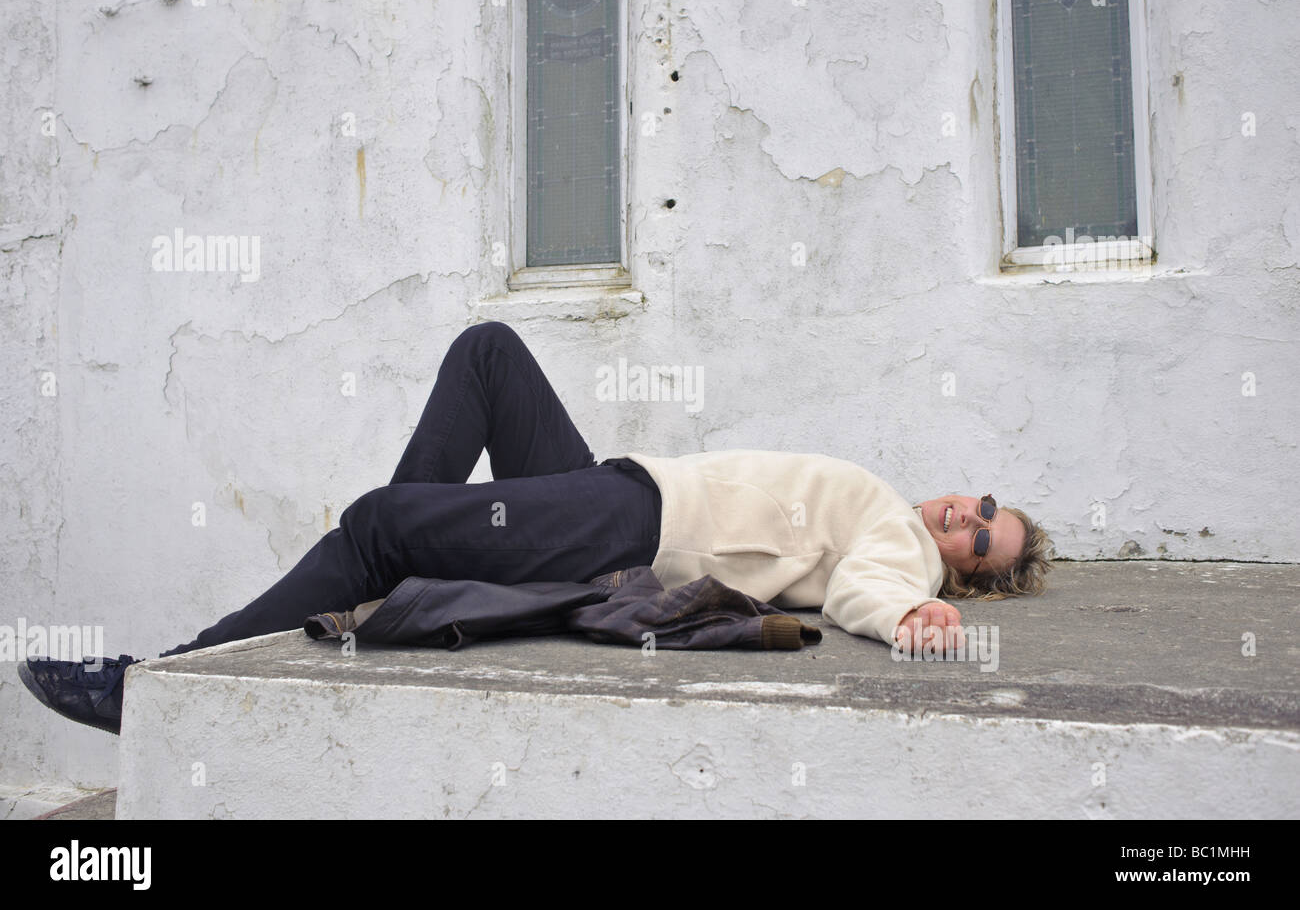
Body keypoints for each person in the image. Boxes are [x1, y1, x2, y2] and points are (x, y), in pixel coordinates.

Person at [18, 321, 1053, 735]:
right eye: (984, 507)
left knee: (381, 522)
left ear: (965, 574)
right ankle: (395, 573)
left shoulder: (899, 542)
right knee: (488, 354)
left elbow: (861, 590)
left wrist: (914, 608)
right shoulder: (898, 505)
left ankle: (161, 684)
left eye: (979, 544)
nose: (968, 518)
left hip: (627, 529)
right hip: (609, 489)